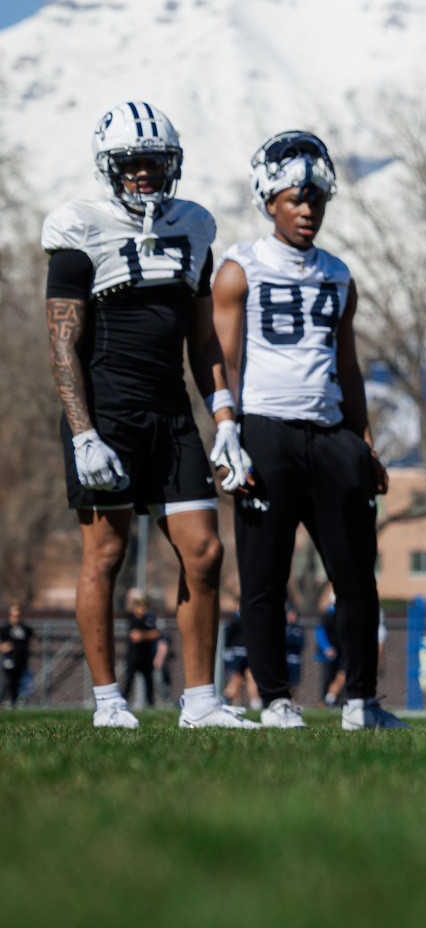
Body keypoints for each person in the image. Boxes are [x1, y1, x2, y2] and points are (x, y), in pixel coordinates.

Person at [42, 103, 253, 729]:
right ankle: (108, 701)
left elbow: (204, 338)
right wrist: (83, 433)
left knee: (206, 552)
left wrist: (226, 418)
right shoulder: (79, 229)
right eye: (132, 164)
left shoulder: (193, 228)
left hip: (171, 413)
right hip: (105, 413)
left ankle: (201, 701)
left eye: (154, 163)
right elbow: (61, 340)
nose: (143, 175)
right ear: (110, 168)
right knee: (105, 556)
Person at [209, 131, 402, 730]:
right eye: (296, 199)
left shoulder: (339, 275)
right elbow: (227, 359)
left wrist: (363, 440)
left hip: (329, 433)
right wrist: (228, 432)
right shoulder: (241, 268)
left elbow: (347, 364)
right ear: (270, 201)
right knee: (265, 578)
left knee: (356, 577)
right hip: (266, 431)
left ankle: (361, 702)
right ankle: (275, 700)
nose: (308, 210)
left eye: (317, 199)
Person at [2, 605, 33, 707]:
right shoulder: (4, 628)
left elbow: (32, 638)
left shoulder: (25, 629)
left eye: (19, 616)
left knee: (17, 682)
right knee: (6, 680)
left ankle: (13, 703)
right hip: (8, 659)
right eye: (14, 616)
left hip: (21, 659)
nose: (17, 618)